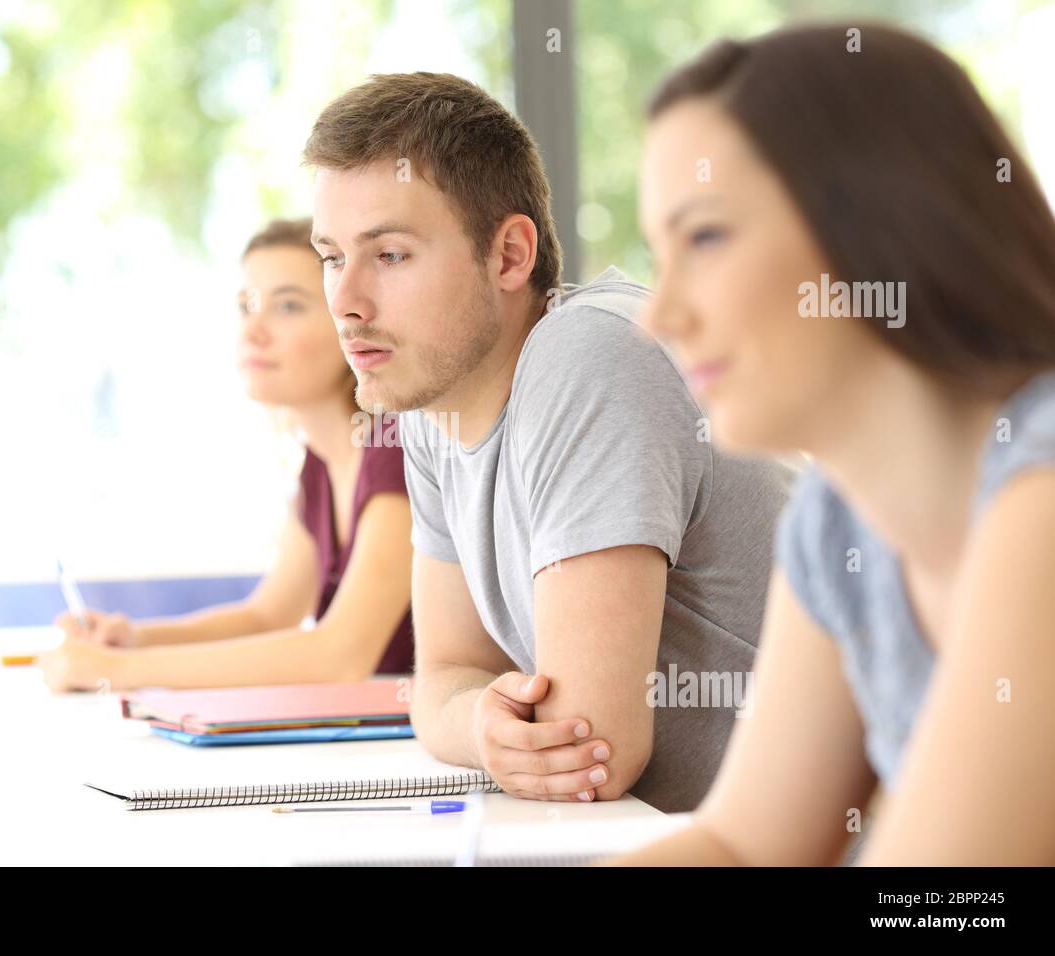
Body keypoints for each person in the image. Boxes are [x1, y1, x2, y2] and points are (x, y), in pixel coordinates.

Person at [612, 22, 1055, 864]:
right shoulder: (839, 523)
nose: (660, 317)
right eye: (657, 255)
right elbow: (742, 845)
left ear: (884, 222)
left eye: (704, 237)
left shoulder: (1043, 488)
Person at [302, 72, 793, 812]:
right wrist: (483, 726)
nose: (344, 301)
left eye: (390, 255)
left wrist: (482, 720)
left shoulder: (590, 356)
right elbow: (444, 677)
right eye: (333, 256)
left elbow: (593, 747)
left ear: (508, 256)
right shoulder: (433, 407)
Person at [38, 218, 415, 692]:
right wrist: (130, 640)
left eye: (288, 306)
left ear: (352, 316)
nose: (253, 331)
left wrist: (114, 671)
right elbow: (265, 616)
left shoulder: (395, 446)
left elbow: (340, 655)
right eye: (246, 307)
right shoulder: (320, 466)